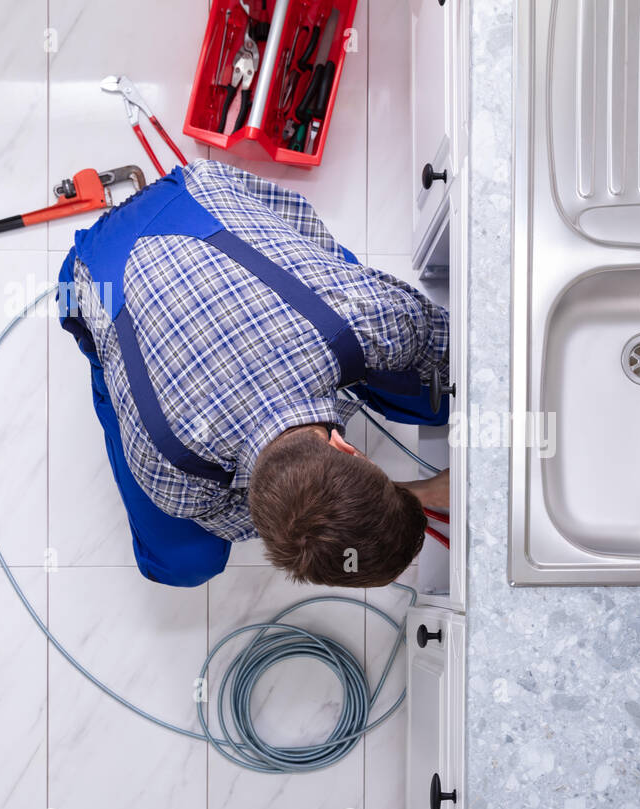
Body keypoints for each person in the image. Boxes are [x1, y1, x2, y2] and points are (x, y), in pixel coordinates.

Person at [56, 159, 449, 588]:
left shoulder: (371, 317)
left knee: (436, 395)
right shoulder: (172, 477)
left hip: (197, 188)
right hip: (84, 276)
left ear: (349, 449)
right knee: (182, 564)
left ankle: (117, 359)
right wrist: (416, 491)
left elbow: (443, 339)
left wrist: (405, 496)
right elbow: (276, 517)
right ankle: (104, 368)